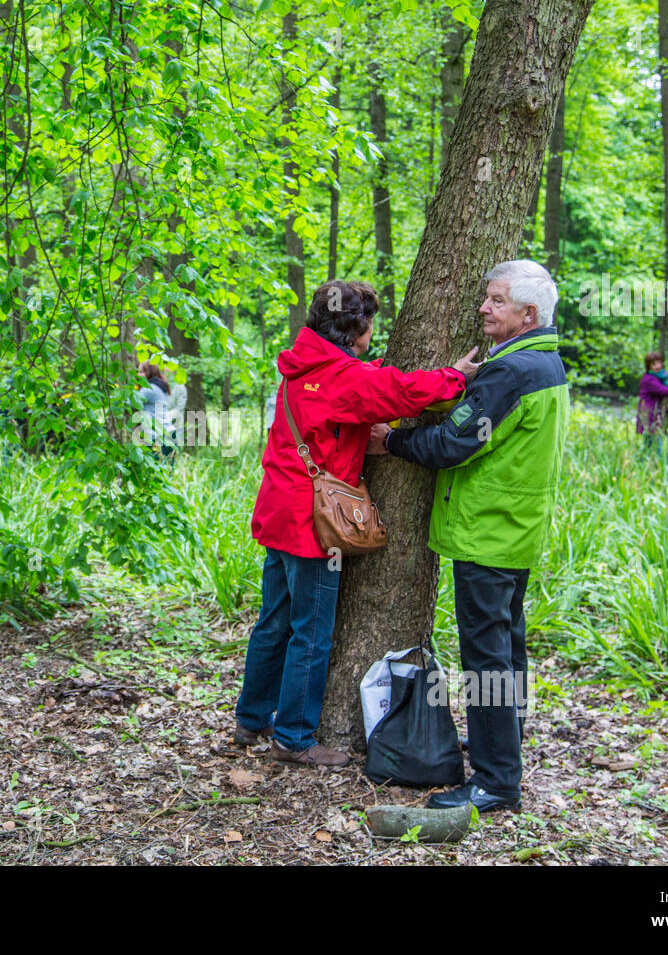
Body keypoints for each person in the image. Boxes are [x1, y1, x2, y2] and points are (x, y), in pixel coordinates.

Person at [238, 279, 475, 768]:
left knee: (274, 622)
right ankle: (294, 738)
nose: (372, 333)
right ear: (355, 327)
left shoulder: (301, 365)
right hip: (314, 524)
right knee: (311, 630)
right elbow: (402, 393)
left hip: (279, 510)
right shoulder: (342, 377)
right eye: (369, 324)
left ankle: (251, 718)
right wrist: (456, 375)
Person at [371, 259, 568, 812]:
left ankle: (497, 782)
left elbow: (453, 443)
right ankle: (501, 748)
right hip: (514, 530)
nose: (483, 306)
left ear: (528, 313)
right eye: (487, 296)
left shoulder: (513, 372)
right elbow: (477, 416)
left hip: (488, 534)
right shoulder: (541, 363)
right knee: (506, 651)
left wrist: (391, 443)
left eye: (496, 300)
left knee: (488, 662)